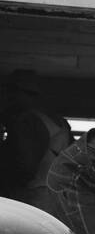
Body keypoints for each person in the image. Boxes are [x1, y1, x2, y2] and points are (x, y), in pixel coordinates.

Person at [0, 69, 72, 213]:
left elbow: (25, 167)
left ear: (21, 93)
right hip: (59, 197)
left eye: (11, 93)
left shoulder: (28, 121)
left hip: (34, 198)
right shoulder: (61, 123)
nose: (8, 99)